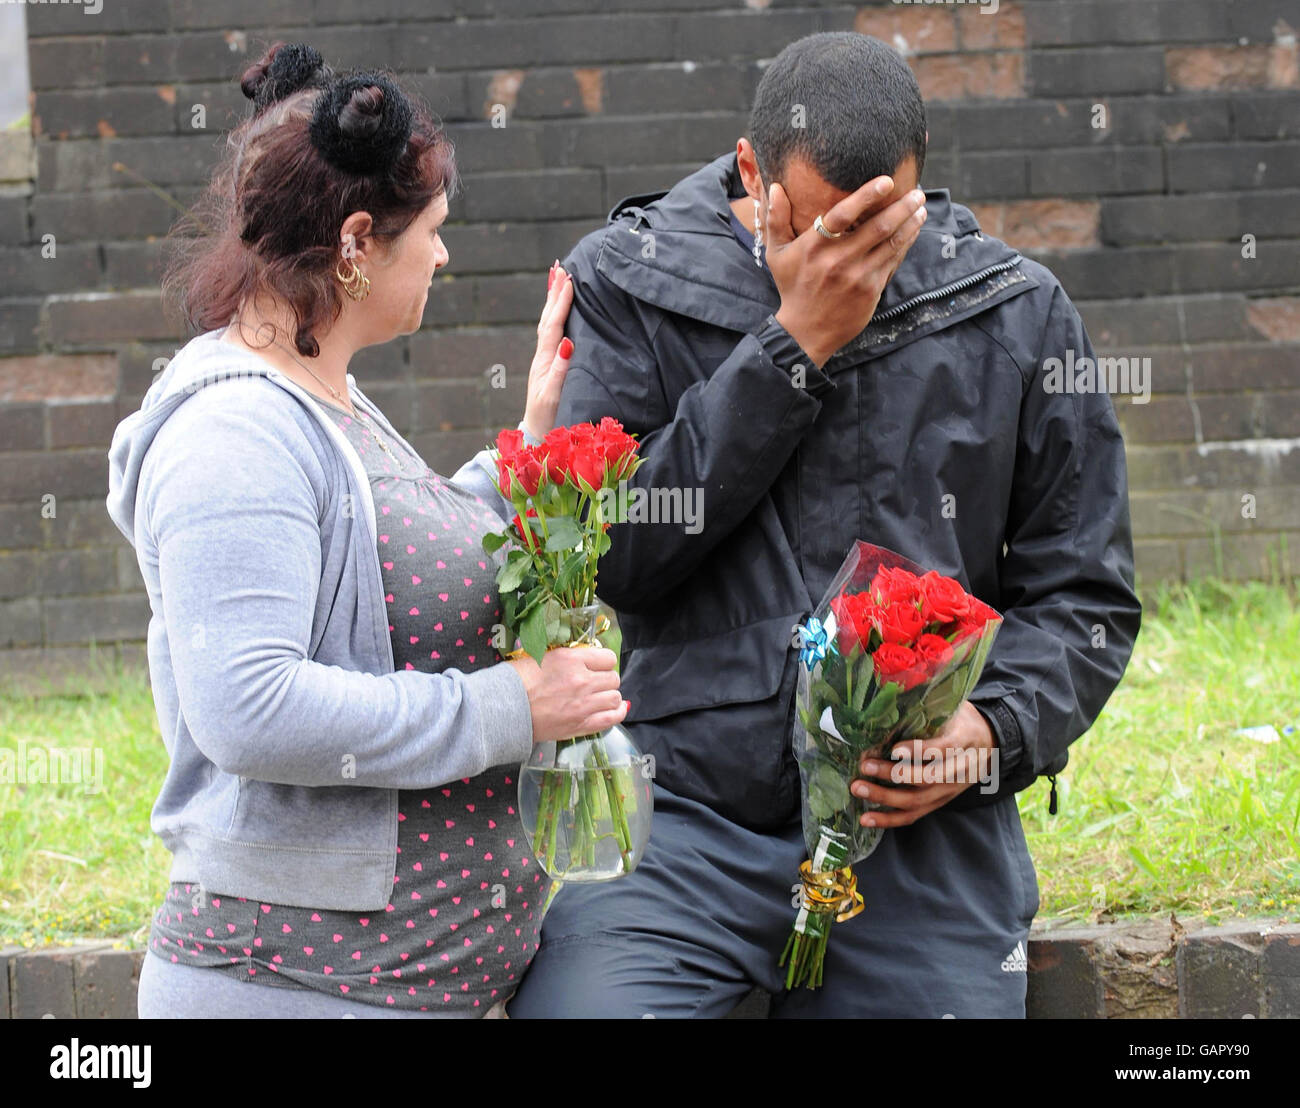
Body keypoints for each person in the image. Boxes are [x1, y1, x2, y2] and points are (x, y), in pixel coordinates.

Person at [506, 31, 1142, 1019]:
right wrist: (790, 347)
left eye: (876, 225)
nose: (840, 254)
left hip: (919, 848)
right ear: (751, 170)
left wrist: (992, 727)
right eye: (809, 225)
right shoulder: (630, 283)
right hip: (683, 825)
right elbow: (611, 555)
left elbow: (1082, 592)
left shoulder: (1013, 312)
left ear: (917, 187)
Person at [108, 42, 628, 1019]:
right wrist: (513, 706)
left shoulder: (321, 396)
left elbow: (407, 544)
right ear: (356, 241)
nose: (442, 253)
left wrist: (530, 439)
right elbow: (250, 707)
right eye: (429, 230)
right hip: (294, 990)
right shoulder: (233, 431)